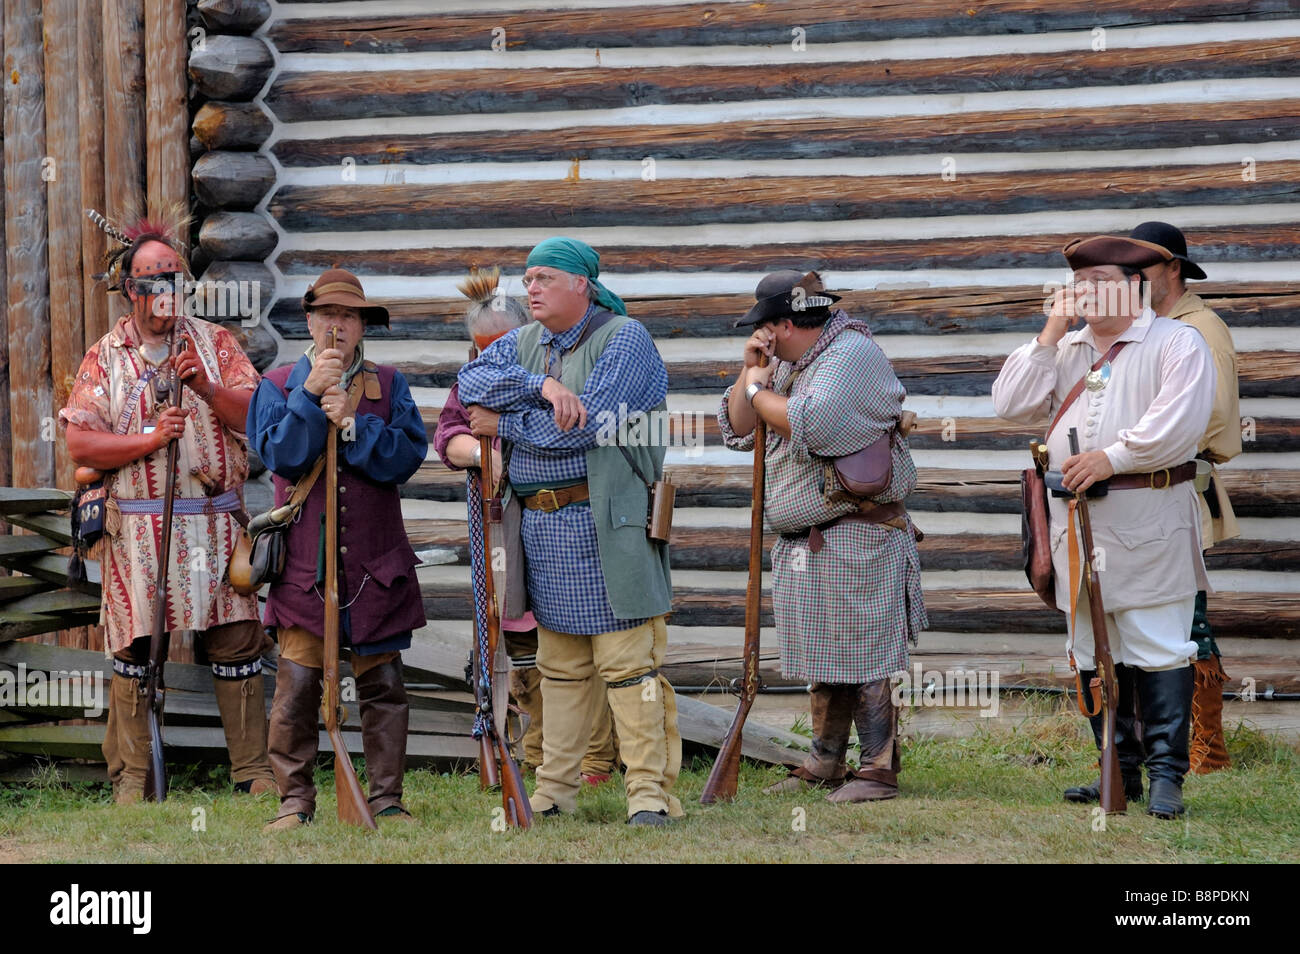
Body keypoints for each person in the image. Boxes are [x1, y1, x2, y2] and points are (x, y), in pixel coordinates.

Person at [457, 237, 682, 826]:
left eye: (544, 278)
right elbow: (470, 386)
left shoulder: (625, 340)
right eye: (528, 278)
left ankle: (649, 796)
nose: (530, 288)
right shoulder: (526, 342)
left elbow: (584, 429)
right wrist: (541, 387)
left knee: (631, 669)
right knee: (560, 670)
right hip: (545, 530)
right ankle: (554, 792)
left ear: (581, 284)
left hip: (611, 526)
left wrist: (504, 421)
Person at [992, 235, 1215, 818]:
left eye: (1100, 284)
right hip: (1078, 527)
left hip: (1149, 520)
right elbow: (1010, 403)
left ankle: (1167, 777)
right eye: (1080, 285)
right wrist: (1047, 335)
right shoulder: (1066, 350)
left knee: (1159, 646)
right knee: (1093, 650)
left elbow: (1179, 424)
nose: (1085, 295)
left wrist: (1112, 458)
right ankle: (1118, 773)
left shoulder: (1177, 342)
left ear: (1135, 286)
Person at [61, 214, 275, 803]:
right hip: (138, 525)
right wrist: (153, 439)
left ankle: (254, 772)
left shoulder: (215, 344)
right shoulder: (106, 356)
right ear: (131, 289)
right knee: (133, 646)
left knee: (236, 639)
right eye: (153, 282)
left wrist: (205, 387)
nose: (166, 293)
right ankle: (133, 779)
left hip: (213, 521)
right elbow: (82, 442)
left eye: (174, 279)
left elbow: (256, 419)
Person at [718, 270, 927, 803]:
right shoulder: (787, 364)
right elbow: (740, 429)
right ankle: (827, 760)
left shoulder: (850, 354)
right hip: (812, 535)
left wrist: (761, 387)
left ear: (785, 323)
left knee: (868, 652)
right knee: (826, 652)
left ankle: (878, 769)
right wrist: (750, 374)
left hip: (857, 528)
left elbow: (817, 420)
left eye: (765, 325)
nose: (761, 334)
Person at [248, 269, 428, 829]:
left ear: (362, 326)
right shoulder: (278, 385)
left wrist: (351, 424)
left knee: (383, 686)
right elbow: (279, 454)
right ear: (309, 320)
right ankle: (295, 801)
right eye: (327, 315)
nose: (337, 326)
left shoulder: (390, 385)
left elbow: (405, 458)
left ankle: (386, 801)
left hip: (376, 567)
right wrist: (308, 397)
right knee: (296, 689)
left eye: (349, 317)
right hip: (304, 570)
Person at [433, 268, 620, 783]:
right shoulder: (474, 377)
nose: (489, 354)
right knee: (519, 643)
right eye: (481, 347)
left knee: (581, 636)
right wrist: (478, 451)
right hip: (502, 527)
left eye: (498, 344)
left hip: (559, 518)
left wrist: (510, 440)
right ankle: (539, 749)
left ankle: (597, 758)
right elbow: (447, 433)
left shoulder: (554, 367)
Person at [1130, 221, 1240, 774]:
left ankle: (1207, 749)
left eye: (1142, 268)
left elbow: (1213, 416)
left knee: (1187, 618)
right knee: (1149, 614)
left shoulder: (1200, 328)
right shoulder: (1144, 328)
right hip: (1140, 491)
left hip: (1179, 487)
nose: (1131, 280)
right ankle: (1150, 746)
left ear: (1173, 269)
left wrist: (1141, 446)